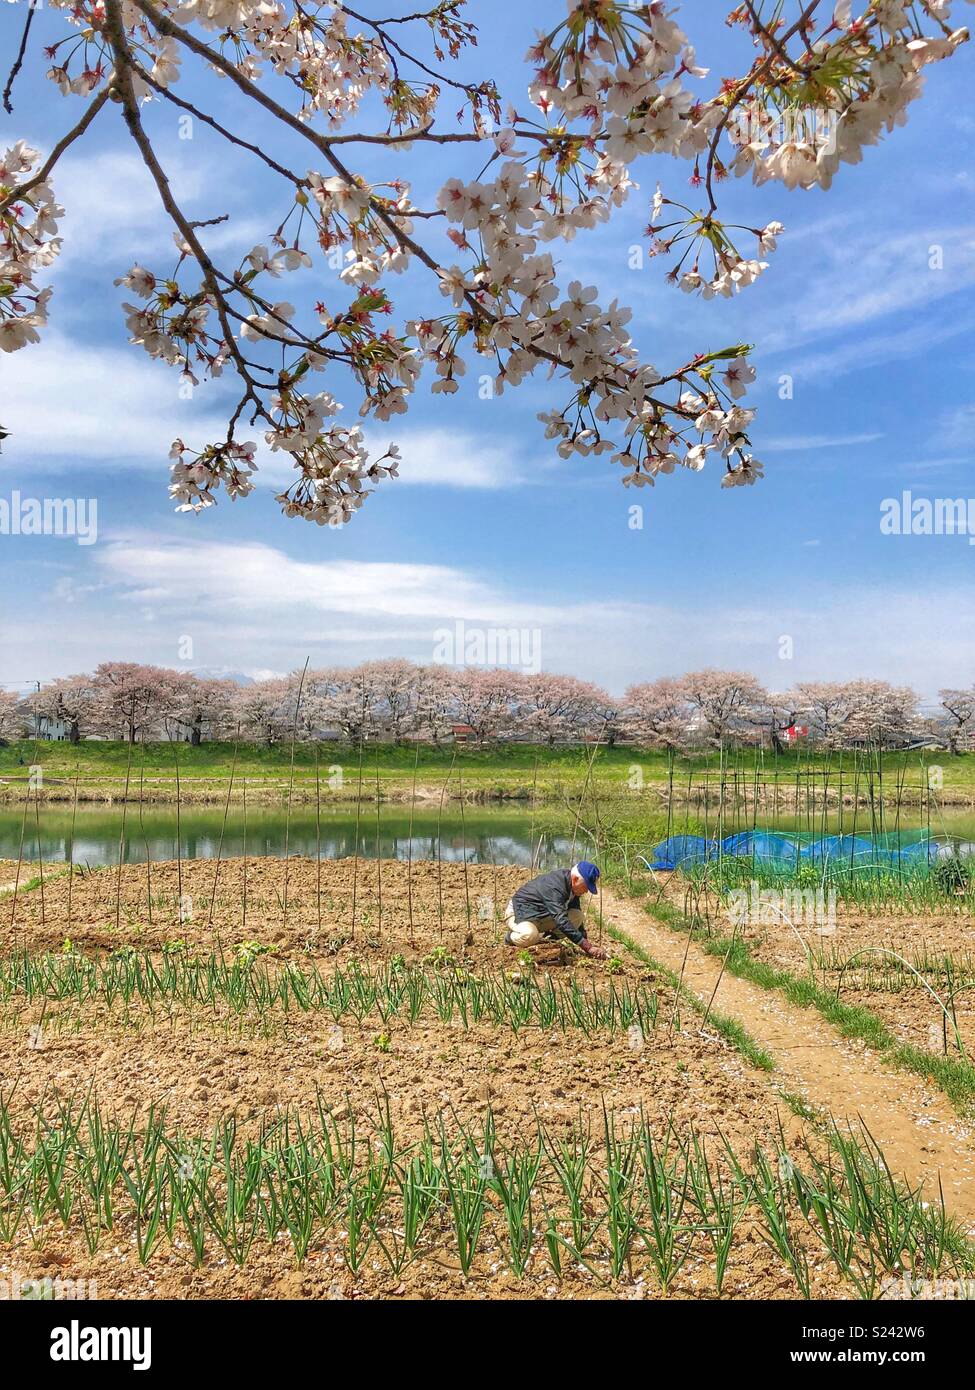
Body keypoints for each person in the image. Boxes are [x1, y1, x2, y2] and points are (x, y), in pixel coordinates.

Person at [504, 860, 607, 960]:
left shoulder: (572, 888)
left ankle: (548, 940)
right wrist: (587, 947)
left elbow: (575, 919)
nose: (586, 891)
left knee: (577, 915)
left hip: (540, 916)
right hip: (519, 914)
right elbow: (561, 920)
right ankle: (511, 938)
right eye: (586, 887)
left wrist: (586, 943)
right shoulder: (555, 887)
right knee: (530, 935)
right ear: (575, 879)